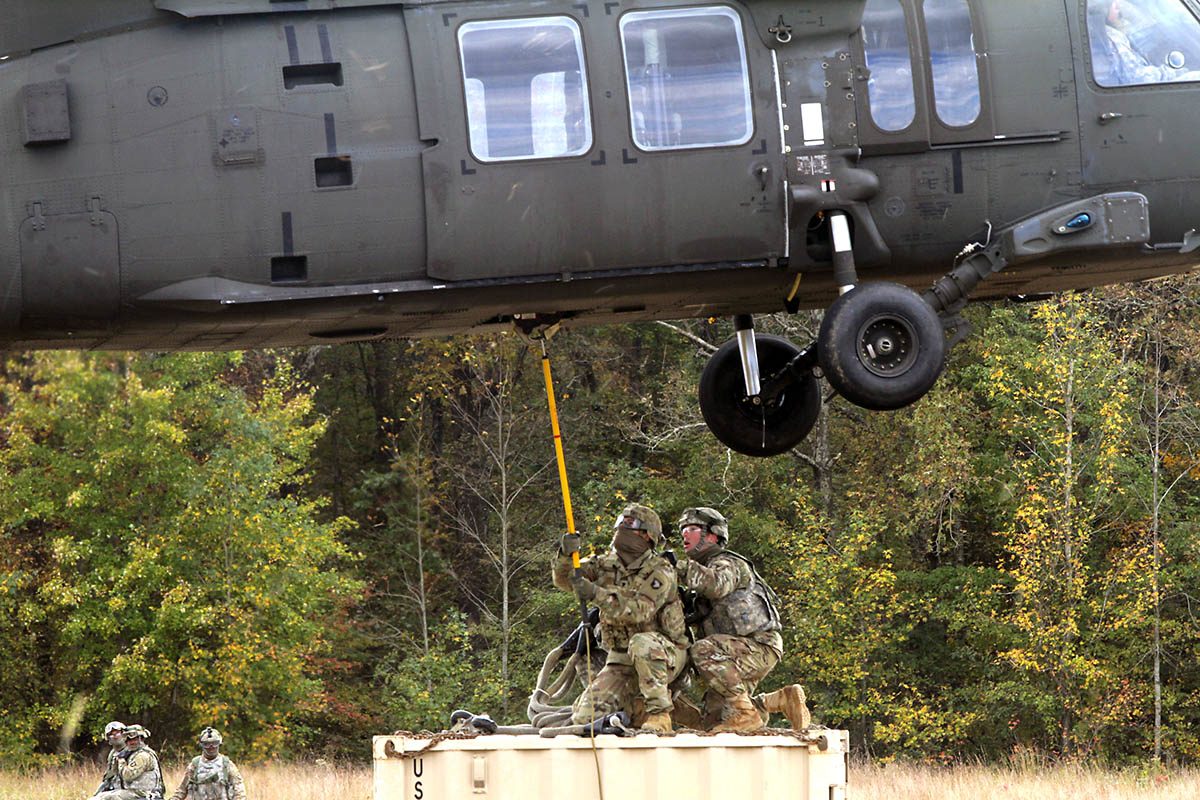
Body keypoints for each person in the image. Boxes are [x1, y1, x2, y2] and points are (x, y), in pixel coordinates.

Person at [552, 502, 689, 734]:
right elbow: (565, 580)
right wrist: (565, 555)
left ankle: (660, 714)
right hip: (621, 658)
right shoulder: (605, 564)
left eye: (629, 525)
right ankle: (636, 709)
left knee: (642, 642)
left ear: (647, 536)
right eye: (620, 523)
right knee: (585, 718)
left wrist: (595, 592)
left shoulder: (660, 570)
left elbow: (639, 610)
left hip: (665, 654)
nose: (620, 530)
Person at [673, 507, 810, 732]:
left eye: (693, 529)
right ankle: (777, 701)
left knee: (702, 650)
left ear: (713, 535)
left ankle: (746, 713)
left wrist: (677, 567)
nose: (684, 534)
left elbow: (717, 584)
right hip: (736, 654)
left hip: (757, 646)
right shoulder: (704, 570)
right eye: (683, 529)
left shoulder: (727, 563)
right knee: (715, 722)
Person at [1091, 0, 1200, 86]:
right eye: (1114, 6)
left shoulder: (1097, 36)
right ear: (1104, 10)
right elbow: (1137, 78)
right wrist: (1177, 72)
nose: (1119, 9)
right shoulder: (1112, 38)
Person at [170, 727, 247, 800]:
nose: (211, 747)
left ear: (219, 743)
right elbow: (181, 790)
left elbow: (239, 792)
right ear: (202, 745)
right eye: (207, 744)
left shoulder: (227, 765)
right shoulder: (194, 765)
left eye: (214, 743)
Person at [93, 725, 165, 800]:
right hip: (134, 792)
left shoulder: (142, 755)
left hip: (145, 794)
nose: (131, 742)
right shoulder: (129, 754)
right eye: (128, 740)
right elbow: (113, 775)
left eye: (135, 739)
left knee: (112, 797)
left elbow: (128, 776)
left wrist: (121, 761)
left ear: (141, 739)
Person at [93, 721, 127, 796]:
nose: (115, 736)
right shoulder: (113, 754)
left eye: (118, 732)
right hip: (115, 790)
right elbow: (108, 777)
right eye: (111, 734)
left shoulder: (132, 751)